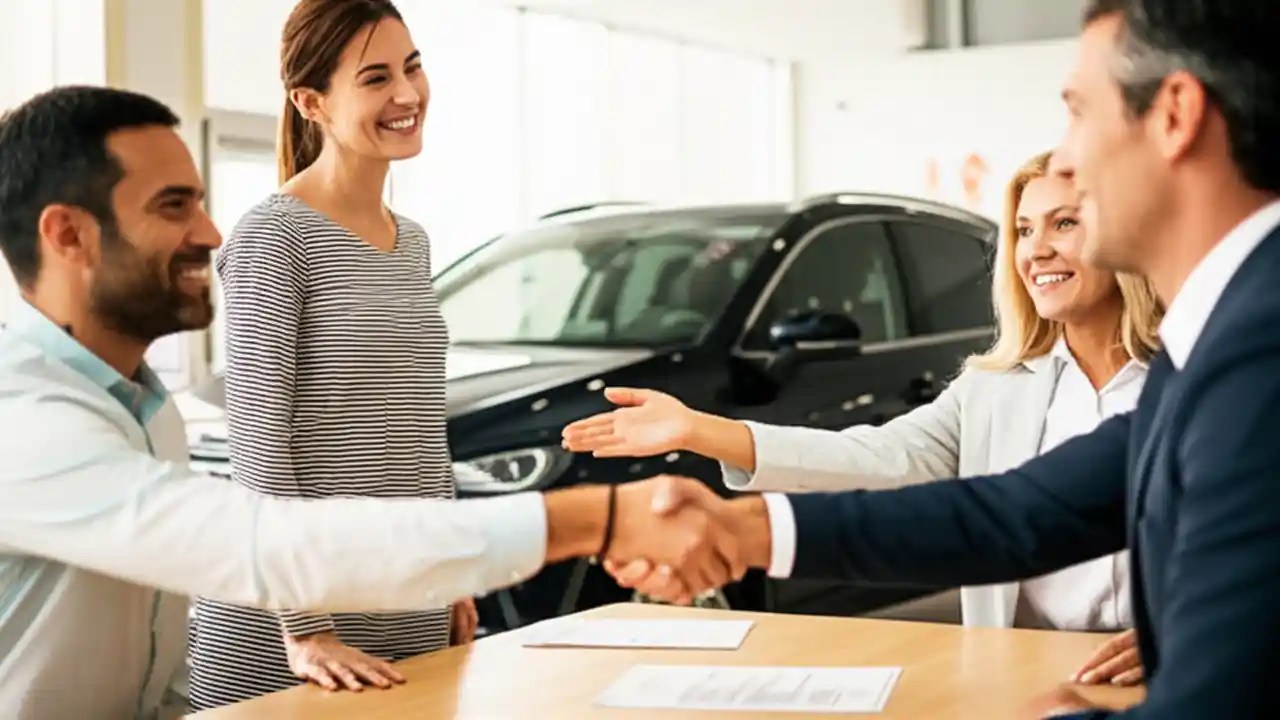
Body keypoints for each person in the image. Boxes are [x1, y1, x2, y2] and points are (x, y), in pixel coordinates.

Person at [611, 0, 1280, 716]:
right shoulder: (1216, 341)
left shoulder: (1257, 349)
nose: (1064, 157)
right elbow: (1015, 513)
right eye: (1025, 228)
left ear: (1175, 114)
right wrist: (742, 528)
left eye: (1079, 112)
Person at [0, 86, 742, 720]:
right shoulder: (25, 419)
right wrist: (600, 518)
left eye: (199, 201)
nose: (210, 233)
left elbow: (148, 667)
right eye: (173, 207)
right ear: (69, 234)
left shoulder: (143, 407)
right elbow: (258, 544)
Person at [564, 149, 1162, 686]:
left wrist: (1179, 634)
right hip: (1027, 676)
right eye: (1024, 230)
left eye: (1065, 223)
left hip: (1176, 676)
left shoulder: (1188, 379)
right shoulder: (994, 388)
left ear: (1126, 234)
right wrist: (699, 428)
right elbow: (880, 457)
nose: (1036, 250)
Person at [185, 0, 479, 707]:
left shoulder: (412, 241)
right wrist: (306, 627)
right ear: (310, 101)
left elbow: (419, 431)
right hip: (289, 638)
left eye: (412, 66)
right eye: (375, 78)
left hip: (409, 608)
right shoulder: (273, 238)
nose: (407, 95)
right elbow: (258, 443)